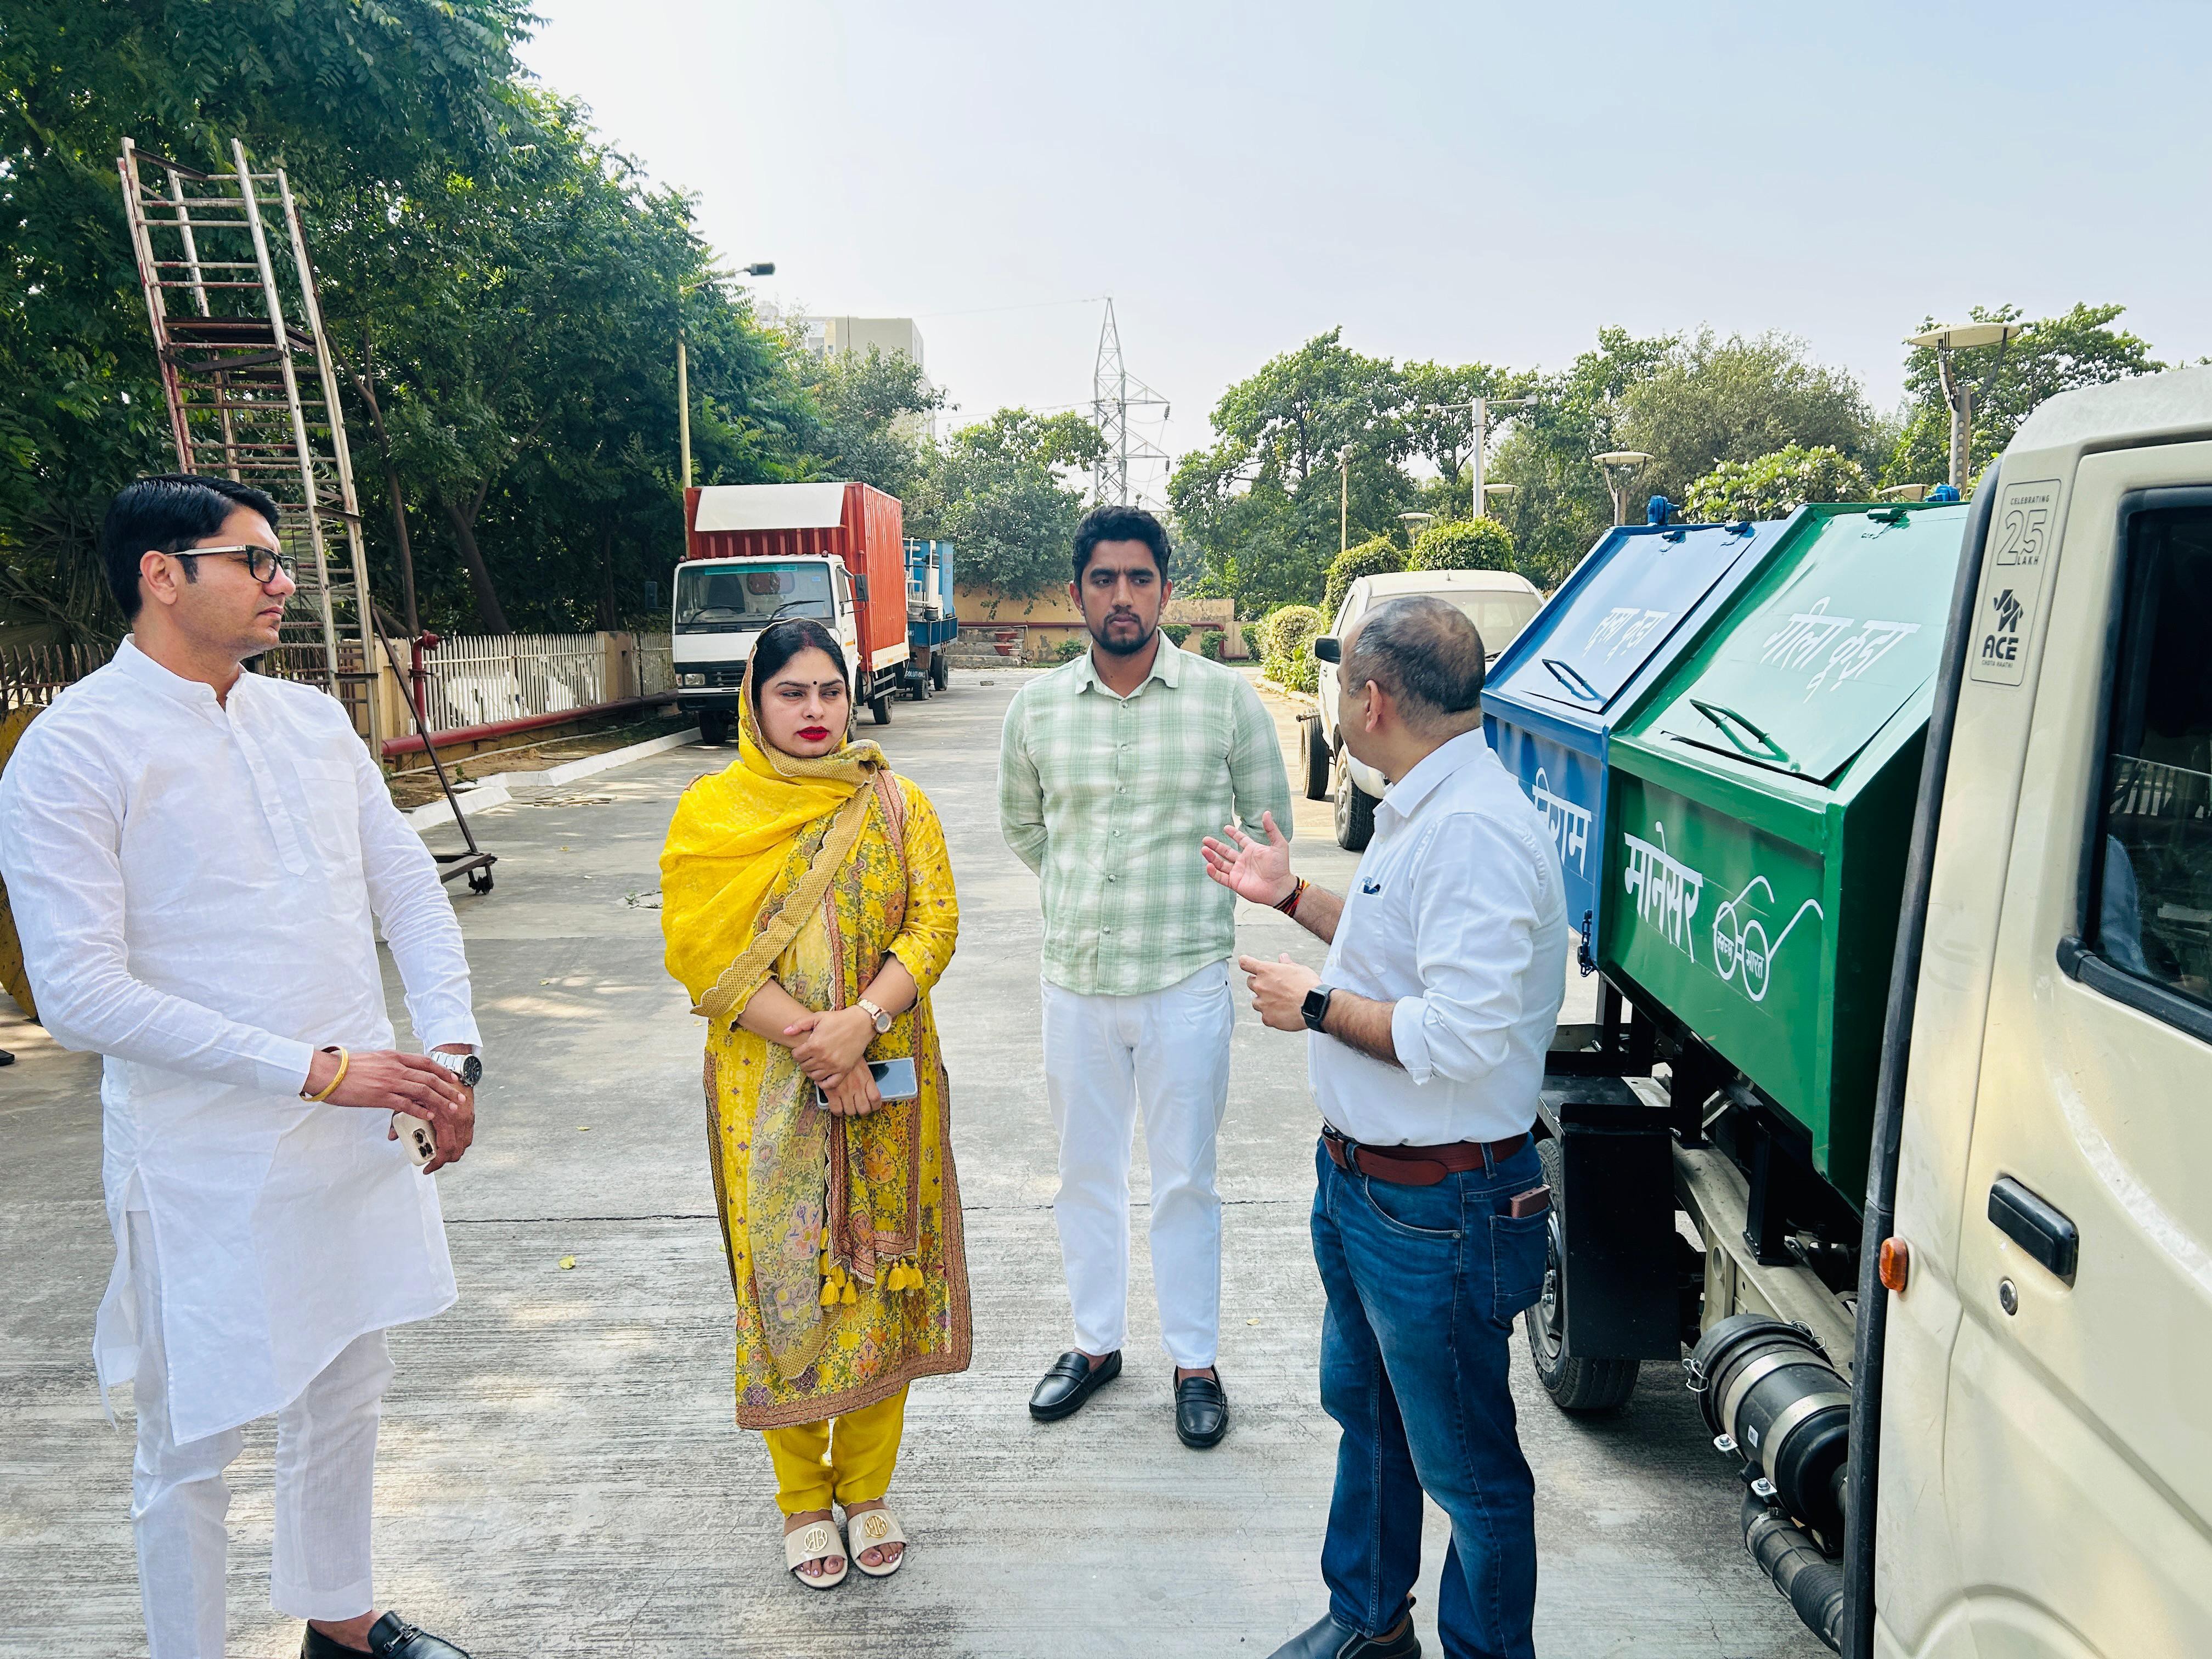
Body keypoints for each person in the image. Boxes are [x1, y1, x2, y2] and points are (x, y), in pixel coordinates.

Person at [0, 476, 483, 1659]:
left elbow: (407, 888)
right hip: (202, 1156)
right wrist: (314, 1070)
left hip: (357, 1127)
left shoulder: (310, 721)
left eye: (280, 561)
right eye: (254, 560)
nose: (283, 583)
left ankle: (341, 1619)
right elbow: (78, 994)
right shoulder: (75, 748)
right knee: (190, 1437)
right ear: (163, 575)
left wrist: (452, 1049)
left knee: (347, 1384)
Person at [1201, 595, 1568, 1659]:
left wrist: (1312, 1006)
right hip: (1371, 1191)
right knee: (1368, 1415)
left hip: (1440, 1208)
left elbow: (1460, 1036)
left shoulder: (1473, 832)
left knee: (1469, 1471)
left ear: (1370, 700)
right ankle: (1371, 1620)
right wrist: (1292, 897)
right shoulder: (1424, 802)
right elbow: (1392, 946)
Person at [659, 617, 969, 1589]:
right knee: (786, 1279)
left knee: (884, 1276)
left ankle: (868, 1489)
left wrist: (862, 1026)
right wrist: (820, 1047)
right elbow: (701, 956)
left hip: (891, 1076)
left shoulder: (897, 802)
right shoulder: (714, 811)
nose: (814, 711)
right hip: (767, 1086)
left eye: (829, 691)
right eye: (790, 692)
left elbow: (935, 923)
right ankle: (802, 1498)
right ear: (753, 703)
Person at [998, 504, 1293, 1448]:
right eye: (1103, 579)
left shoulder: (1225, 701)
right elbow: (1025, 827)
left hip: (1184, 982)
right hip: (1076, 983)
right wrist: (1086, 887)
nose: (1121, 596)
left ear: (1166, 590)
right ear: (1077, 592)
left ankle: (1194, 1360)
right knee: (1085, 1174)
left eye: (1139, 578)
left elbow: (1268, 826)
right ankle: (1094, 1346)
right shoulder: (1036, 708)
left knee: (1185, 1180)